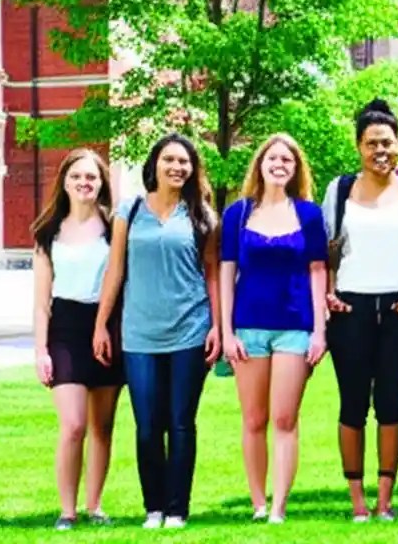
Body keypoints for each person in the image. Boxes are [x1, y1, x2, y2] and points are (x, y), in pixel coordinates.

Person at [93, 133, 221, 530]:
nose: (177, 167)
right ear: (155, 165)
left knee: (181, 422)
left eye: (184, 162)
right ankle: (154, 508)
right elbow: (115, 271)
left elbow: (213, 275)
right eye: (169, 160)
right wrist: (101, 324)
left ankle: (178, 509)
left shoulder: (203, 216)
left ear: (193, 168)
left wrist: (217, 325)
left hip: (190, 329)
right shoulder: (128, 212)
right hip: (139, 335)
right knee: (148, 424)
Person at [322, 99, 398, 522]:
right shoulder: (340, 189)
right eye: (372, 143)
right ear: (359, 146)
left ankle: (385, 500)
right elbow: (327, 249)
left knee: (390, 404)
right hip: (351, 307)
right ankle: (358, 503)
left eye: (387, 142)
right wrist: (329, 293)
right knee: (352, 405)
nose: (380, 151)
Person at [219, 134, 329, 524]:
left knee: (284, 418)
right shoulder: (237, 214)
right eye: (273, 158)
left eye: (288, 159)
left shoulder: (310, 215)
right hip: (248, 327)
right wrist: (226, 331)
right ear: (260, 164)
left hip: (295, 328)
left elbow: (319, 271)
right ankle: (258, 503)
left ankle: (279, 507)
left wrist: (319, 330)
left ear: (296, 168)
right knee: (253, 419)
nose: (280, 164)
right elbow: (226, 270)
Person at [31, 149, 124, 531]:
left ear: (102, 183)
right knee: (73, 425)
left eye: (92, 177)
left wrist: (105, 325)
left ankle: (94, 505)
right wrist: (41, 351)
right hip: (65, 329)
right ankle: (67, 511)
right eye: (77, 177)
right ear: (65, 182)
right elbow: (40, 303)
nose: (85, 183)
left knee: (102, 426)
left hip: (106, 325)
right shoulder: (47, 231)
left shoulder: (114, 226)